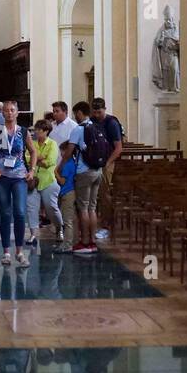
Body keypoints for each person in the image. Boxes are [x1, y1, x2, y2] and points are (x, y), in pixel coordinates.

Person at [0, 97, 36, 268]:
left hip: (19, 177)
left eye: (12, 110)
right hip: (0, 177)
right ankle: (6, 252)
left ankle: (19, 251)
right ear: (2, 113)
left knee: (19, 212)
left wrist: (31, 170)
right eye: (6, 110)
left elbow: (33, 151)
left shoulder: (23, 131)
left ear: (17, 112)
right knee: (5, 214)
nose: (9, 113)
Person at [59, 99, 108, 256]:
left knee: (83, 207)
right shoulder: (96, 126)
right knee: (92, 207)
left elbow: (69, 151)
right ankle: (93, 242)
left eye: (76, 114)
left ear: (80, 113)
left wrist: (59, 167)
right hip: (97, 171)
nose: (75, 116)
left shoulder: (79, 129)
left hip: (84, 172)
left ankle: (84, 242)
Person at [25, 118, 63, 247]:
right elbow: (27, 157)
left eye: (38, 130)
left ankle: (59, 228)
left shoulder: (52, 144)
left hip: (48, 180)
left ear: (46, 131)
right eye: (35, 129)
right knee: (31, 208)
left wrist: (35, 159)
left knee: (51, 207)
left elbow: (50, 162)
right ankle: (33, 234)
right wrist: (38, 158)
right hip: (33, 180)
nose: (35, 132)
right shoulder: (32, 143)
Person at [54, 138, 78, 253]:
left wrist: (55, 173)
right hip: (69, 192)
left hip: (68, 192)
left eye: (62, 151)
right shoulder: (71, 162)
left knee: (67, 220)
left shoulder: (68, 164)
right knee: (69, 219)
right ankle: (71, 242)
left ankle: (68, 244)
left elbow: (62, 181)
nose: (61, 154)